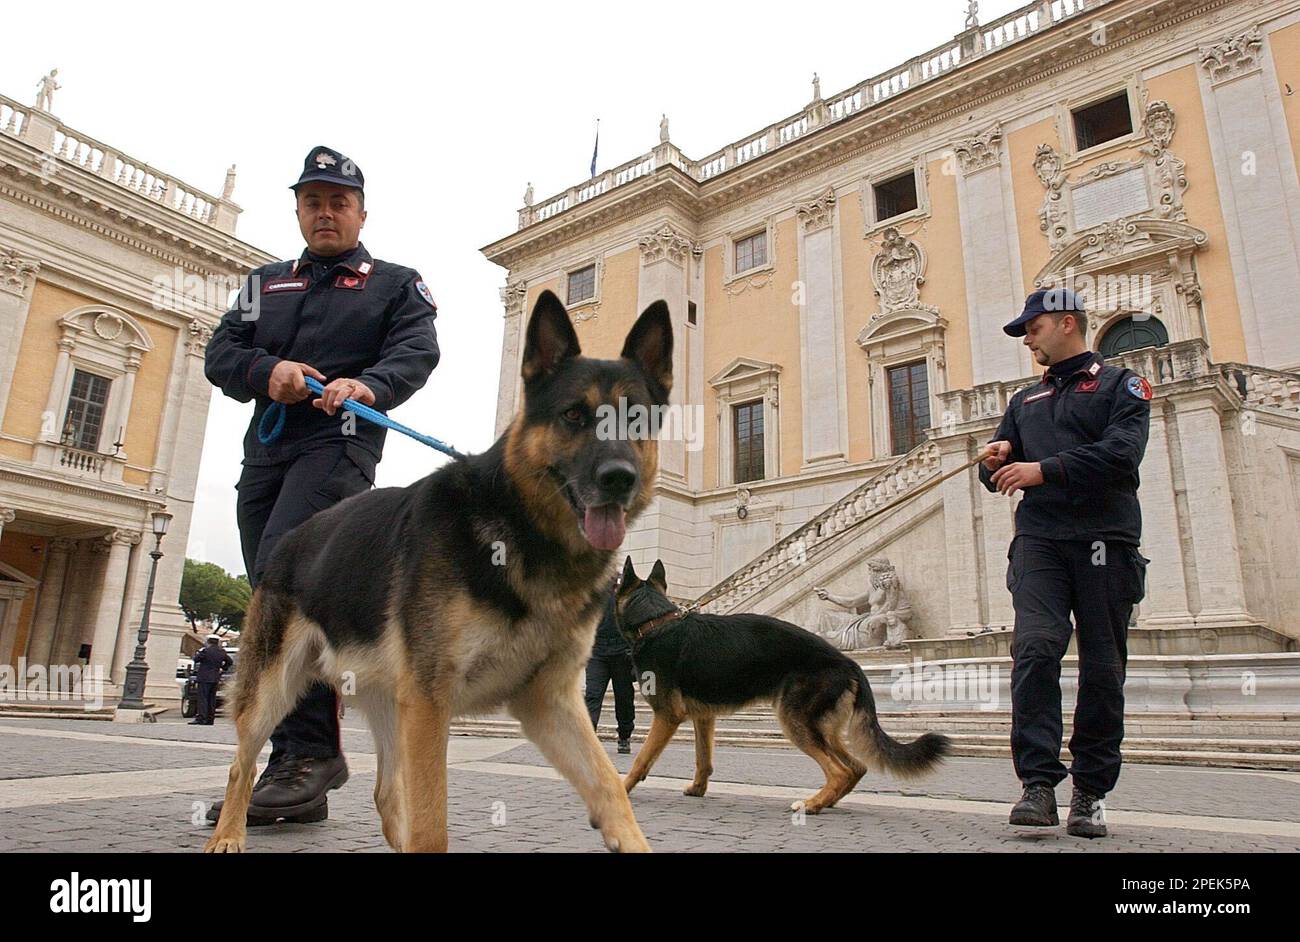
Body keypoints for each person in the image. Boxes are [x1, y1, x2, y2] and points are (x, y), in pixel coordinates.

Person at [203, 145, 440, 824]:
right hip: (269, 448)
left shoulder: (395, 283)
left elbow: (416, 350)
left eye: (339, 201)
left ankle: (307, 756)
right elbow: (221, 352)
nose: (325, 212)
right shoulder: (263, 282)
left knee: (286, 572)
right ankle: (303, 759)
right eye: (313, 201)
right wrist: (265, 371)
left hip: (340, 445)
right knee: (268, 591)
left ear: (361, 212)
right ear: (299, 210)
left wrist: (368, 383)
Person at [980, 287, 1150, 838]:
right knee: (1034, 647)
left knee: (1102, 666)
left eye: (1033, 327)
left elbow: (1123, 453)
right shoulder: (1024, 401)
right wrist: (996, 460)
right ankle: (1037, 784)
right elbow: (999, 474)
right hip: (1041, 541)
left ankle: (1091, 791)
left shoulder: (1122, 385)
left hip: (1105, 540)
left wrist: (1043, 470)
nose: (1027, 338)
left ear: (1067, 323)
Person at [585, 577, 637, 754]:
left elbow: (634, 626)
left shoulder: (626, 599)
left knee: (624, 698)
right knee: (592, 694)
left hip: (621, 654)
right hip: (597, 653)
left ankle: (624, 736)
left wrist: (633, 650)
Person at [189, 634, 232, 726]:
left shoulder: (206, 651)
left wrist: (199, 653)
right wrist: (222, 668)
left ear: (208, 641)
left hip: (204, 678)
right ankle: (210, 719)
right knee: (211, 699)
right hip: (215, 678)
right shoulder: (222, 652)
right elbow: (229, 662)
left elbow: (196, 659)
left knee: (203, 698)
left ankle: (201, 718)